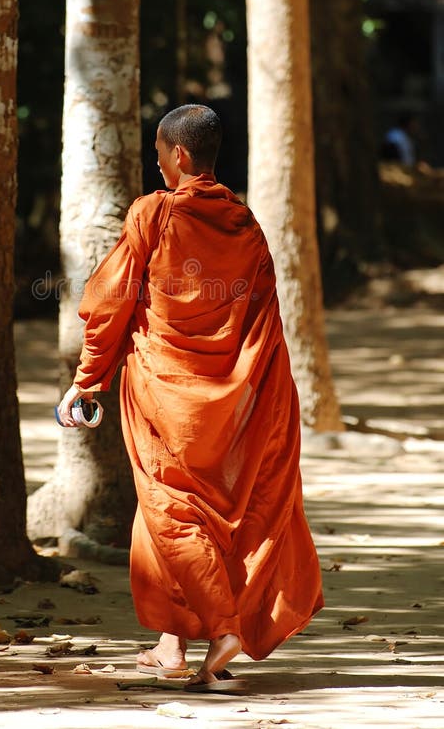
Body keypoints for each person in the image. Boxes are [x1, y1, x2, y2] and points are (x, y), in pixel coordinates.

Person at [57, 104, 324, 686]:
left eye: (158, 154)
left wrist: (86, 379)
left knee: (170, 512)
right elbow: (264, 325)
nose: (156, 166)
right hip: (232, 403)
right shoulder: (244, 223)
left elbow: (110, 303)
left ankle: (223, 627)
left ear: (179, 155)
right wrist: (266, 404)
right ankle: (172, 646)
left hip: (162, 393)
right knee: (188, 515)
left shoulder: (154, 214)